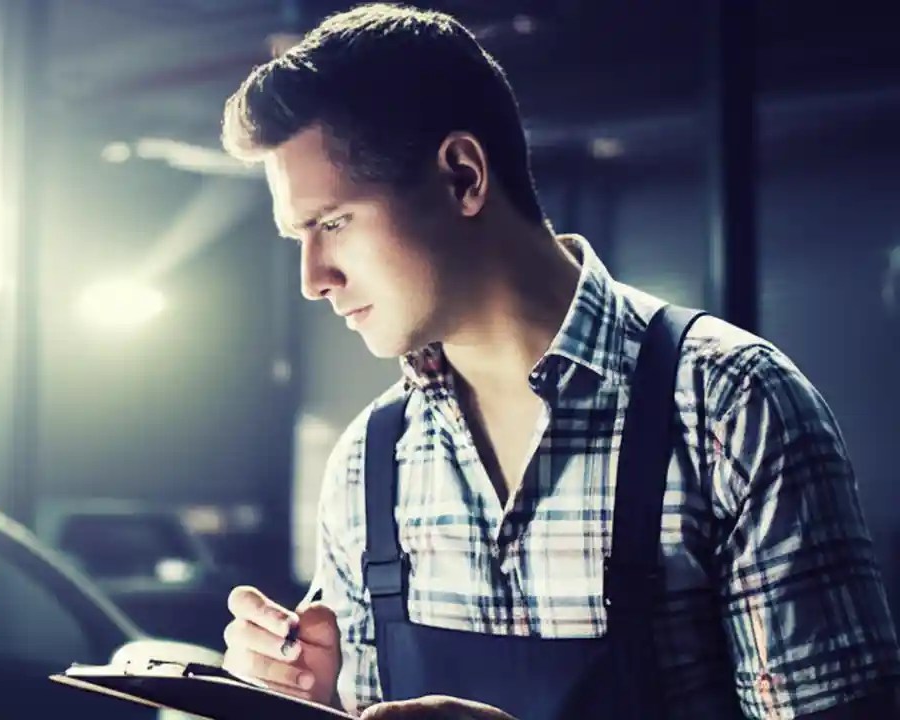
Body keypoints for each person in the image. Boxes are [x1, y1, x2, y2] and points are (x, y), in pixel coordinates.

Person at [216, 4, 900, 719]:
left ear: (461, 177)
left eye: (333, 222)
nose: (313, 276)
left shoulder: (732, 407)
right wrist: (311, 696)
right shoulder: (367, 462)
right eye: (299, 235)